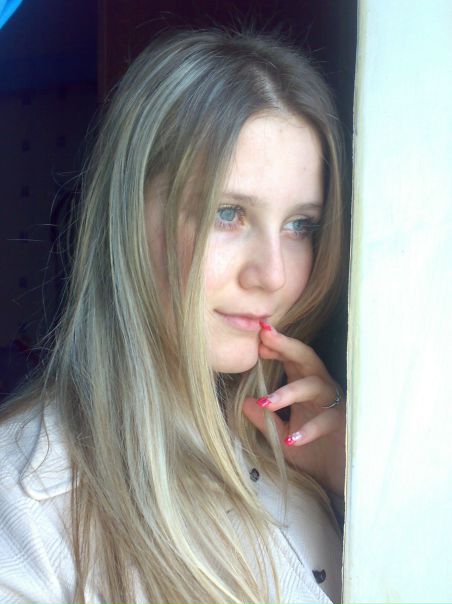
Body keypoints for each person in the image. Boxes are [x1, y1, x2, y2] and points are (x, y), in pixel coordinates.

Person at [0, 28, 346, 604]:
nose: (274, 275)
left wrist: (351, 487)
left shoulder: (302, 449)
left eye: (299, 225)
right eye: (228, 213)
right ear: (128, 220)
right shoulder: (24, 506)